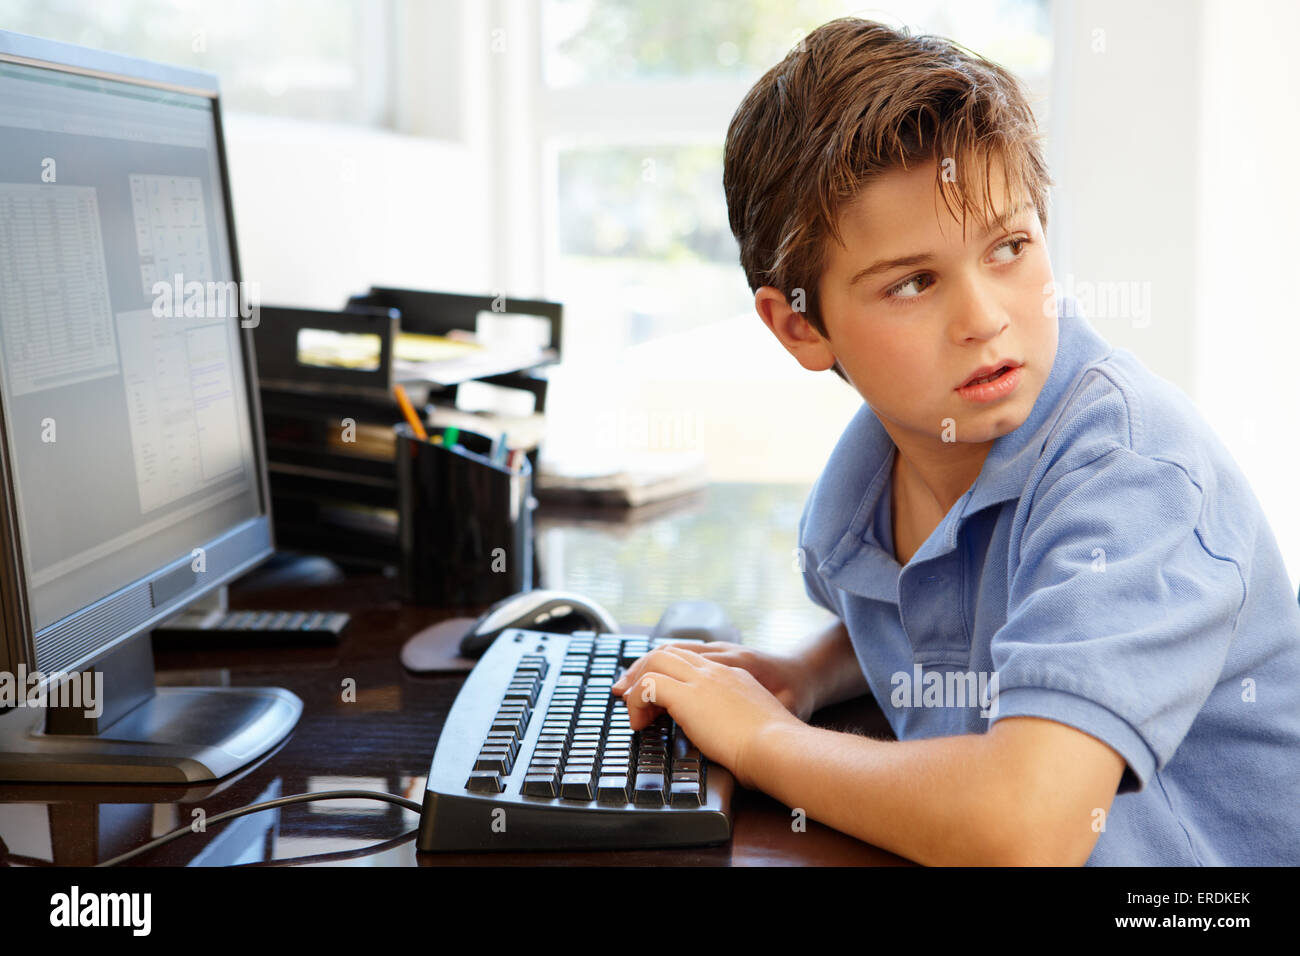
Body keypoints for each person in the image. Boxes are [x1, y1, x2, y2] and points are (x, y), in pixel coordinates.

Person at [611, 17, 1300, 865]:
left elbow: (1026, 827)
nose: (984, 319)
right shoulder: (867, 480)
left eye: (1010, 246)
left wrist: (761, 741)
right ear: (799, 327)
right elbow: (947, 617)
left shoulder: (1132, 475)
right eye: (912, 282)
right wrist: (805, 673)